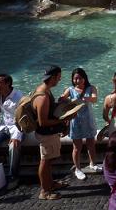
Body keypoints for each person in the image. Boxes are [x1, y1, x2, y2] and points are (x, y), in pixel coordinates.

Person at [33, 65, 77, 200]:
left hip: (49, 134)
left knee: (49, 160)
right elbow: (43, 122)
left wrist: (60, 103)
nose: (59, 79)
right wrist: (64, 119)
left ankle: (50, 183)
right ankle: (45, 192)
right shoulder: (43, 96)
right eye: (58, 77)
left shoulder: (45, 90)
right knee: (45, 161)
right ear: (53, 77)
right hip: (46, 134)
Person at [60, 68, 100, 180]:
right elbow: (62, 100)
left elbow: (94, 99)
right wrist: (62, 99)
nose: (77, 80)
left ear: (84, 78)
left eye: (79, 78)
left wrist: (83, 98)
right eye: (75, 78)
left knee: (91, 143)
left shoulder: (91, 88)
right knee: (77, 147)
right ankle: (77, 168)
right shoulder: (70, 89)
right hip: (75, 120)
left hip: (88, 119)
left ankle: (93, 164)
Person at [0, 74, 23, 190]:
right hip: (4, 127)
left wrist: (16, 136)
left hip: (17, 127)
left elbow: (23, 119)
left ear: (7, 83)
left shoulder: (18, 96)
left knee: (13, 146)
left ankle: (14, 177)